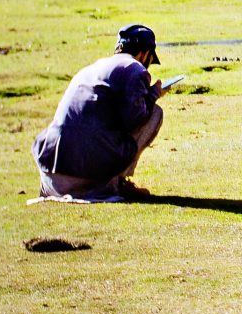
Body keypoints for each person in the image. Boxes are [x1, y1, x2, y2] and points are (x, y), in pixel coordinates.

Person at [32, 24, 167, 201]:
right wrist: (154, 93)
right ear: (145, 53)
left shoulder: (91, 68)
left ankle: (112, 182)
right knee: (154, 113)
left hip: (52, 174)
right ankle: (117, 183)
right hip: (87, 174)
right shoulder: (136, 69)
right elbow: (136, 118)